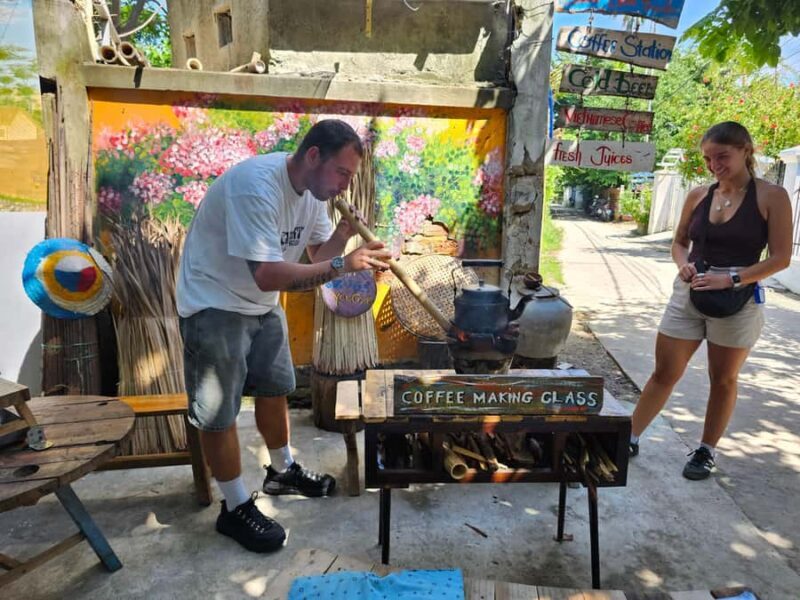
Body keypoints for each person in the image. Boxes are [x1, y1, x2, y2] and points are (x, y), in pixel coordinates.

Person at [176, 119, 392, 553]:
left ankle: (281, 471)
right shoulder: (256, 186)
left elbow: (316, 257)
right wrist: (342, 266)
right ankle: (235, 506)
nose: (344, 186)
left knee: (275, 389)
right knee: (219, 412)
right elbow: (269, 274)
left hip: (260, 305)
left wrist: (342, 238)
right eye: (342, 173)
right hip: (215, 302)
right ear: (313, 156)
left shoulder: (313, 194)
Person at [628, 121, 792, 480]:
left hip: (738, 301)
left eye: (723, 156)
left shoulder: (771, 196)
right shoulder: (699, 195)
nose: (714, 165)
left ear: (746, 151)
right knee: (664, 372)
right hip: (690, 294)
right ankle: (630, 436)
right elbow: (679, 242)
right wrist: (683, 264)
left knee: (723, 378)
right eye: (708, 158)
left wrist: (731, 278)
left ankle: (706, 450)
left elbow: (780, 258)